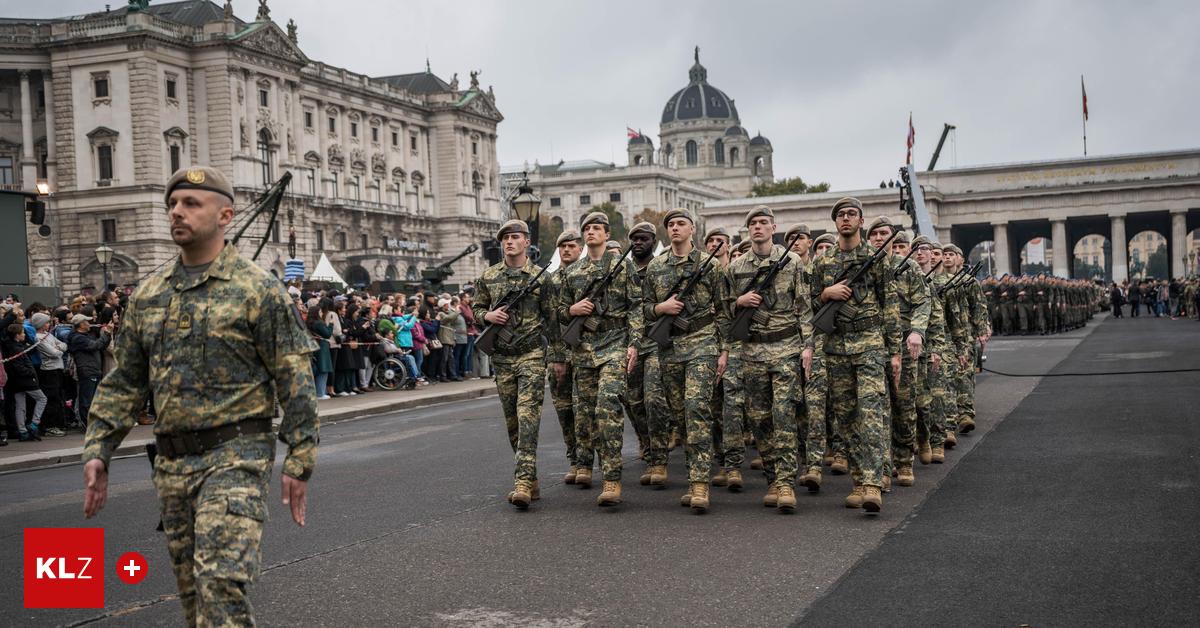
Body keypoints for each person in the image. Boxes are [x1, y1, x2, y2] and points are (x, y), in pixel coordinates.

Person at [82, 166, 318, 627]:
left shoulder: (257, 289)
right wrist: (98, 449)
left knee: (220, 585)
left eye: (191, 203)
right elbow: (125, 382)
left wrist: (300, 457)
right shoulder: (149, 295)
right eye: (172, 204)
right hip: (172, 466)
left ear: (225, 215)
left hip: (236, 457)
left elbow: (295, 377)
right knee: (194, 601)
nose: (177, 212)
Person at [809, 197, 902, 513]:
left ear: (861, 221)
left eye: (852, 214)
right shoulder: (822, 262)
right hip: (836, 347)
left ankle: (874, 483)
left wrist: (894, 352)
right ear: (835, 222)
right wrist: (826, 293)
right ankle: (860, 480)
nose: (846, 218)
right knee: (846, 417)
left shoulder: (876, 258)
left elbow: (890, 305)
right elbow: (809, 303)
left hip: (870, 343)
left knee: (871, 413)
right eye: (841, 215)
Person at [725, 205, 808, 512]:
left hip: (785, 347)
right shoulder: (736, 267)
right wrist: (739, 301)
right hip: (751, 352)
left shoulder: (791, 261)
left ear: (774, 228)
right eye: (753, 224)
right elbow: (721, 309)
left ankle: (786, 483)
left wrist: (808, 346)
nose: (758, 227)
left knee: (783, 414)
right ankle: (773, 478)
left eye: (763, 222)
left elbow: (805, 306)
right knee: (759, 418)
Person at [643, 209, 727, 513]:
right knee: (680, 416)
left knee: (696, 408)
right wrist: (661, 308)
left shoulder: (710, 264)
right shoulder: (656, 267)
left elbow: (724, 309)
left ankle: (700, 483)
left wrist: (724, 350)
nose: (675, 228)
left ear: (692, 229)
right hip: (670, 347)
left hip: (702, 342)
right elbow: (644, 308)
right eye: (671, 224)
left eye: (681, 224)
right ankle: (694, 475)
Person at [557, 211, 642, 507]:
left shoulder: (623, 266)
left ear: (607, 234)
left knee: (607, 408)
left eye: (597, 228)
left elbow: (636, 307)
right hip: (584, 351)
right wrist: (572, 310)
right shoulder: (572, 273)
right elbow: (559, 311)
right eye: (587, 229)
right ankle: (587, 463)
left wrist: (634, 344)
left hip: (615, 344)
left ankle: (612, 478)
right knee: (588, 414)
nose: (591, 232)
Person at [473, 219, 555, 509]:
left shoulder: (542, 278)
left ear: (526, 242)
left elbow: (552, 319)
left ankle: (521, 482)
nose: (509, 241)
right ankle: (531, 479)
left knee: (527, 416)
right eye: (505, 238)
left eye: (515, 237)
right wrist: (488, 316)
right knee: (513, 422)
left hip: (531, 355)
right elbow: (476, 309)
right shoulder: (489, 276)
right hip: (502, 357)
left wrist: (557, 357)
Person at [547, 229, 582, 482]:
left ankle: (589, 460)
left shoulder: (588, 275)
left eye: (571, 246)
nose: (566, 250)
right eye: (562, 246)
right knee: (564, 409)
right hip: (560, 352)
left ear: (580, 248)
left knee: (587, 410)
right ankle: (575, 459)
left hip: (588, 352)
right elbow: (551, 322)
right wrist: (558, 357)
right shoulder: (551, 281)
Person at [623, 222, 656, 483]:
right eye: (634, 239)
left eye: (643, 239)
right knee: (634, 401)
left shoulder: (661, 267)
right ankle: (645, 441)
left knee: (654, 399)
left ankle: (658, 454)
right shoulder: (623, 270)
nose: (638, 243)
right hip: (629, 343)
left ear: (653, 241)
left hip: (656, 342)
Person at [67, 314, 112, 425]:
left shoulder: (86, 336)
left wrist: (108, 334)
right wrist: (106, 333)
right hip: (87, 371)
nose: (89, 324)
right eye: (87, 322)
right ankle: (87, 424)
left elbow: (101, 346)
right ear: (81, 325)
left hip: (94, 370)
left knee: (94, 400)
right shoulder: (78, 338)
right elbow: (95, 346)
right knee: (87, 400)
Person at [32, 312, 68, 436]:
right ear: (41, 324)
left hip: (57, 369)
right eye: (47, 322)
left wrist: (59, 348)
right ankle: (49, 426)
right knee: (51, 398)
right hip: (49, 371)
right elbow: (54, 353)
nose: (49, 324)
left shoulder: (48, 335)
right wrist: (58, 349)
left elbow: (64, 345)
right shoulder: (38, 338)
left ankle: (57, 424)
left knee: (57, 398)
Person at [308, 303, 334, 399]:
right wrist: (331, 324)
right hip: (322, 348)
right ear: (316, 313)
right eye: (320, 312)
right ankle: (320, 393)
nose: (322, 313)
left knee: (317, 370)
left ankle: (319, 392)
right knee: (323, 370)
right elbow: (327, 334)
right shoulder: (319, 323)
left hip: (314, 347)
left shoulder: (309, 323)